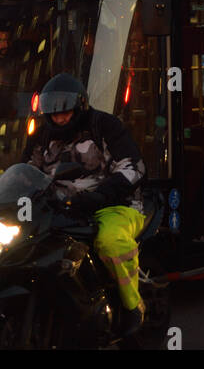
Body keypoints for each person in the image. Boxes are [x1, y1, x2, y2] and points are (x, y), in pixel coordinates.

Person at [20, 73, 147, 336]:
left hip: (114, 205)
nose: (59, 118)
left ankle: (132, 306)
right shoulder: (43, 136)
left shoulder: (105, 126)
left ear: (79, 107)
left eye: (65, 112)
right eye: (54, 114)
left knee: (110, 242)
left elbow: (134, 168)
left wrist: (101, 195)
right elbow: (25, 171)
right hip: (62, 206)